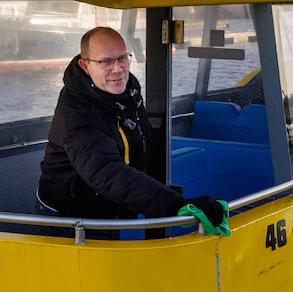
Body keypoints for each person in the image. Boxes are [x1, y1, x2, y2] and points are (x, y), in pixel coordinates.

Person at [36, 26, 226, 235]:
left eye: (122, 59)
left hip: (108, 205)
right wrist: (172, 205)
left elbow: (140, 144)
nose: (118, 69)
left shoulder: (127, 88)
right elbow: (105, 170)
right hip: (70, 218)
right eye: (106, 62)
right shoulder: (77, 112)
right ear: (85, 65)